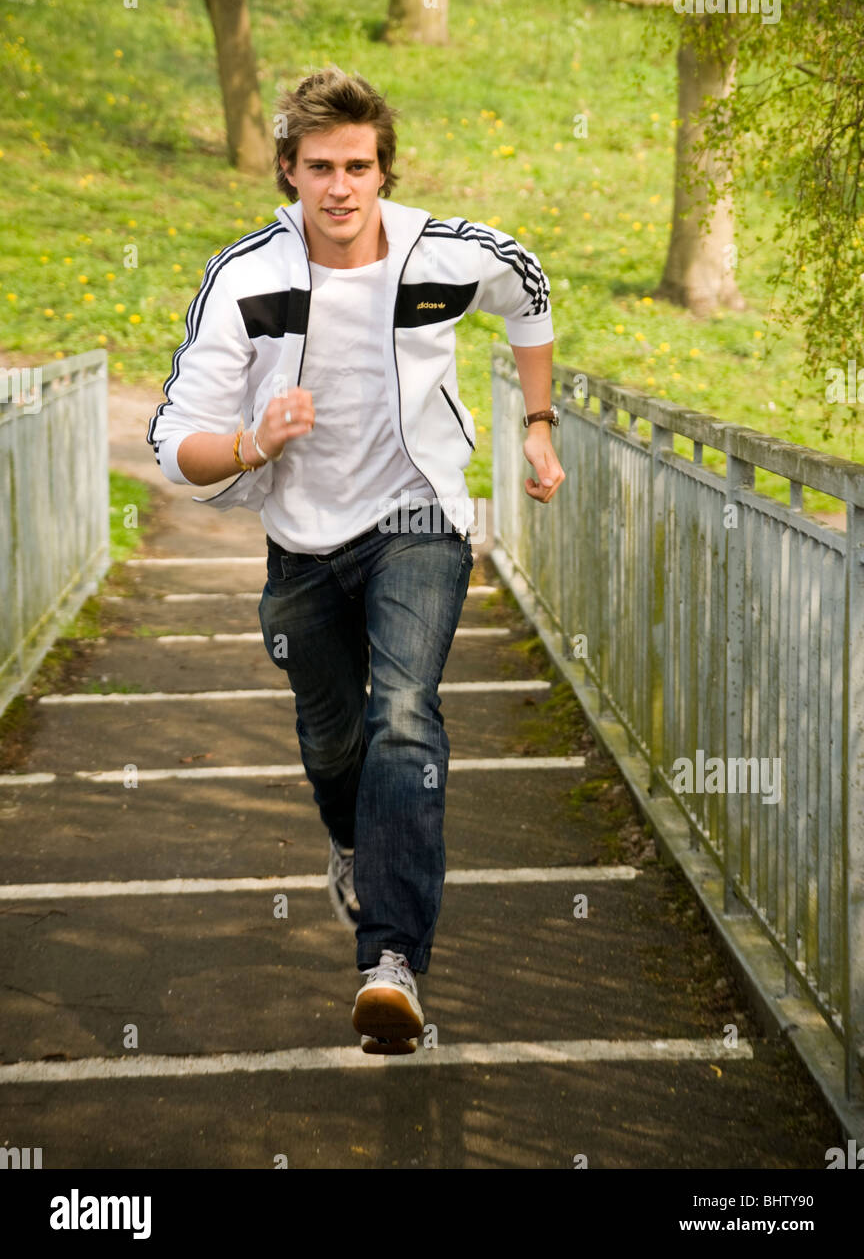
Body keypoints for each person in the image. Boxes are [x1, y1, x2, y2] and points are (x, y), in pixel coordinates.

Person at [146, 66, 565, 1053]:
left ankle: (391, 963)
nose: (341, 186)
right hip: (301, 543)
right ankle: (353, 841)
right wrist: (256, 442)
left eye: (360, 166)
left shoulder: (443, 253)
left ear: (384, 171)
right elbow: (177, 444)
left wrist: (539, 425)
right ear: (287, 171)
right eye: (319, 167)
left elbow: (529, 288)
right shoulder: (246, 278)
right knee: (335, 740)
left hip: (418, 520)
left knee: (404, 712)